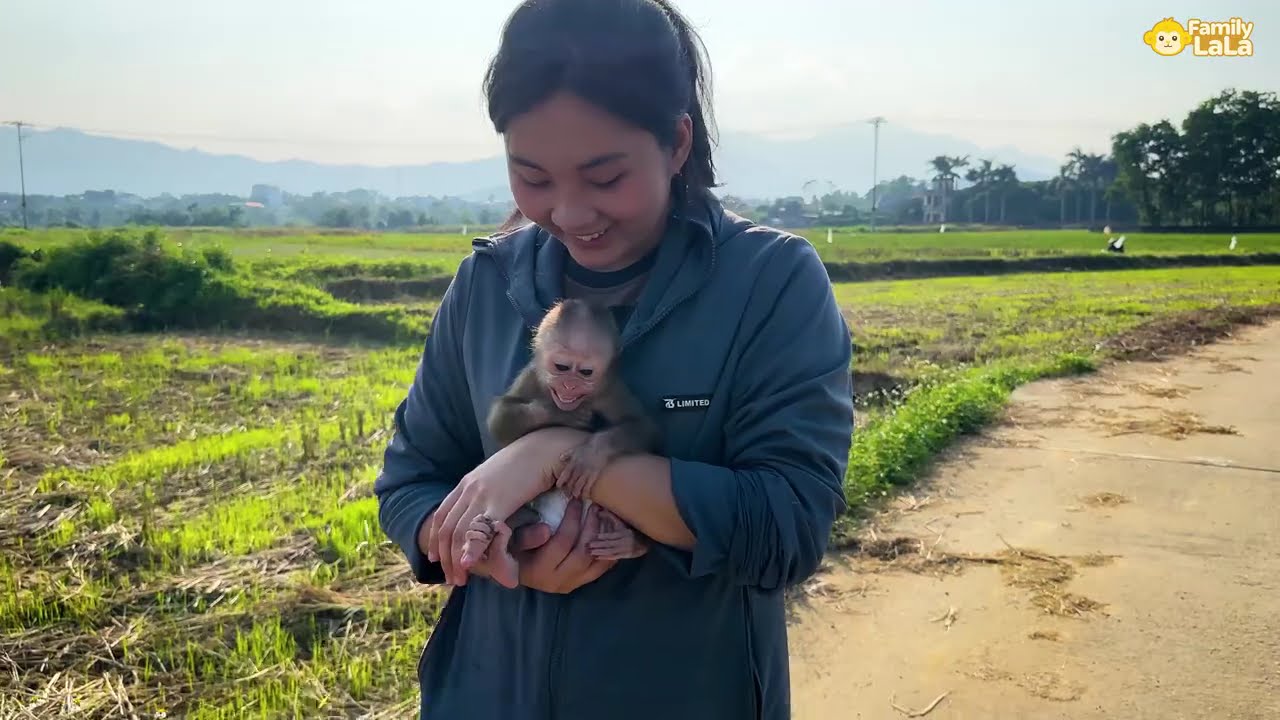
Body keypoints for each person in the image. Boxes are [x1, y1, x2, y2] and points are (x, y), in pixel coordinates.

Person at [373, 0, 855, 717]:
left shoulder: (768, 283)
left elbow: (786, 525)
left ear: (677, 144)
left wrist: (554, 454)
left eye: (605, 178)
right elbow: (410, 481)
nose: (569, 213)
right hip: (486, 691)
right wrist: (492, 550)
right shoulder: (487, 284)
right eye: (531, 177)